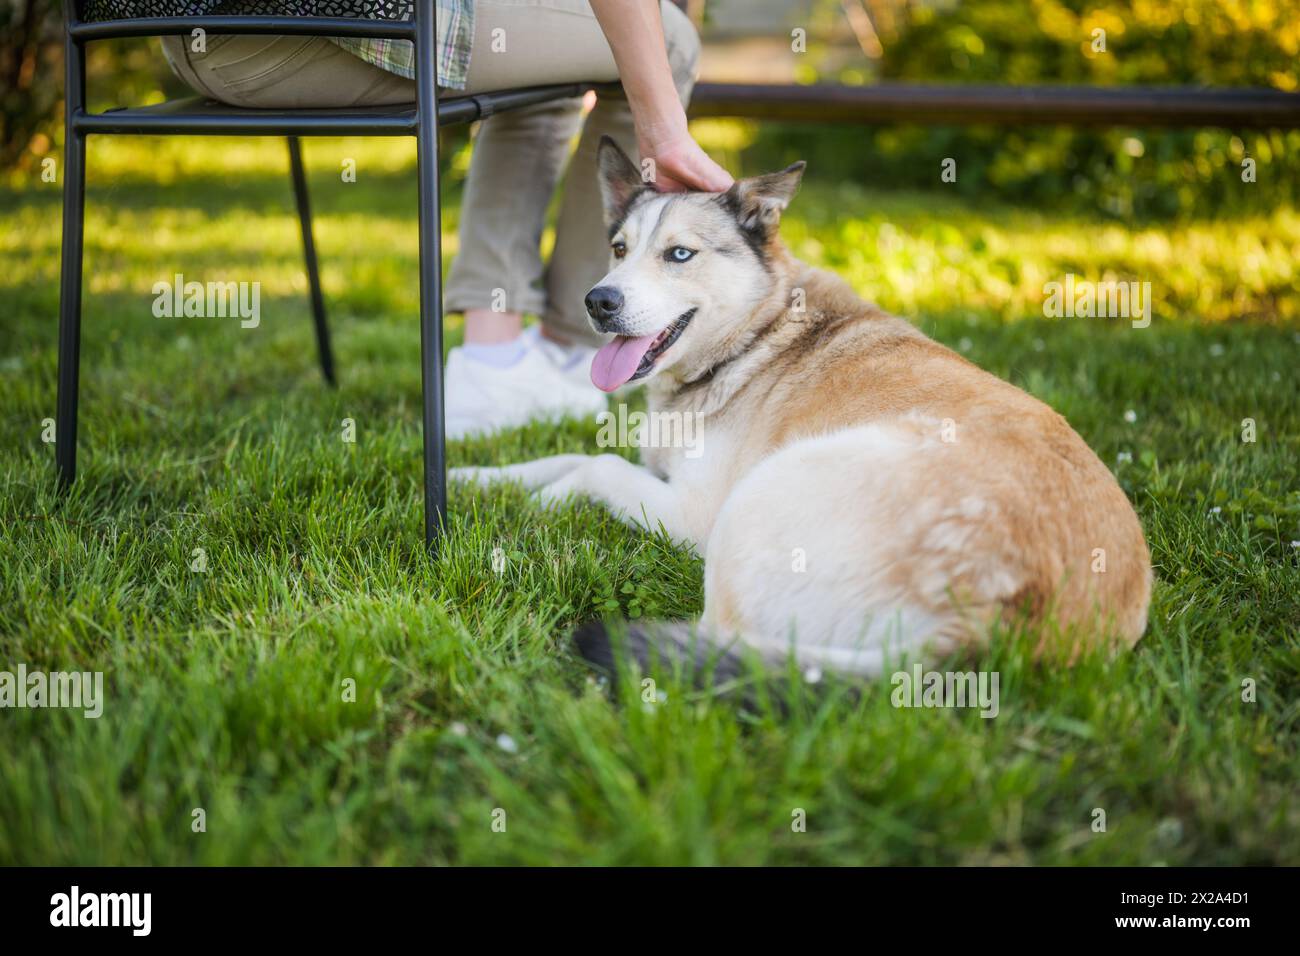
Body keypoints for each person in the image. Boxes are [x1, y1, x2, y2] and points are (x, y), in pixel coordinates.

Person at [155, 0, 734, 437]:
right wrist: (662, 128)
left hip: (189, 33)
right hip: (305, 32)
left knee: (540, 37)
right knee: (669, 38)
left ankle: (502, 357)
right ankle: (559, 350)